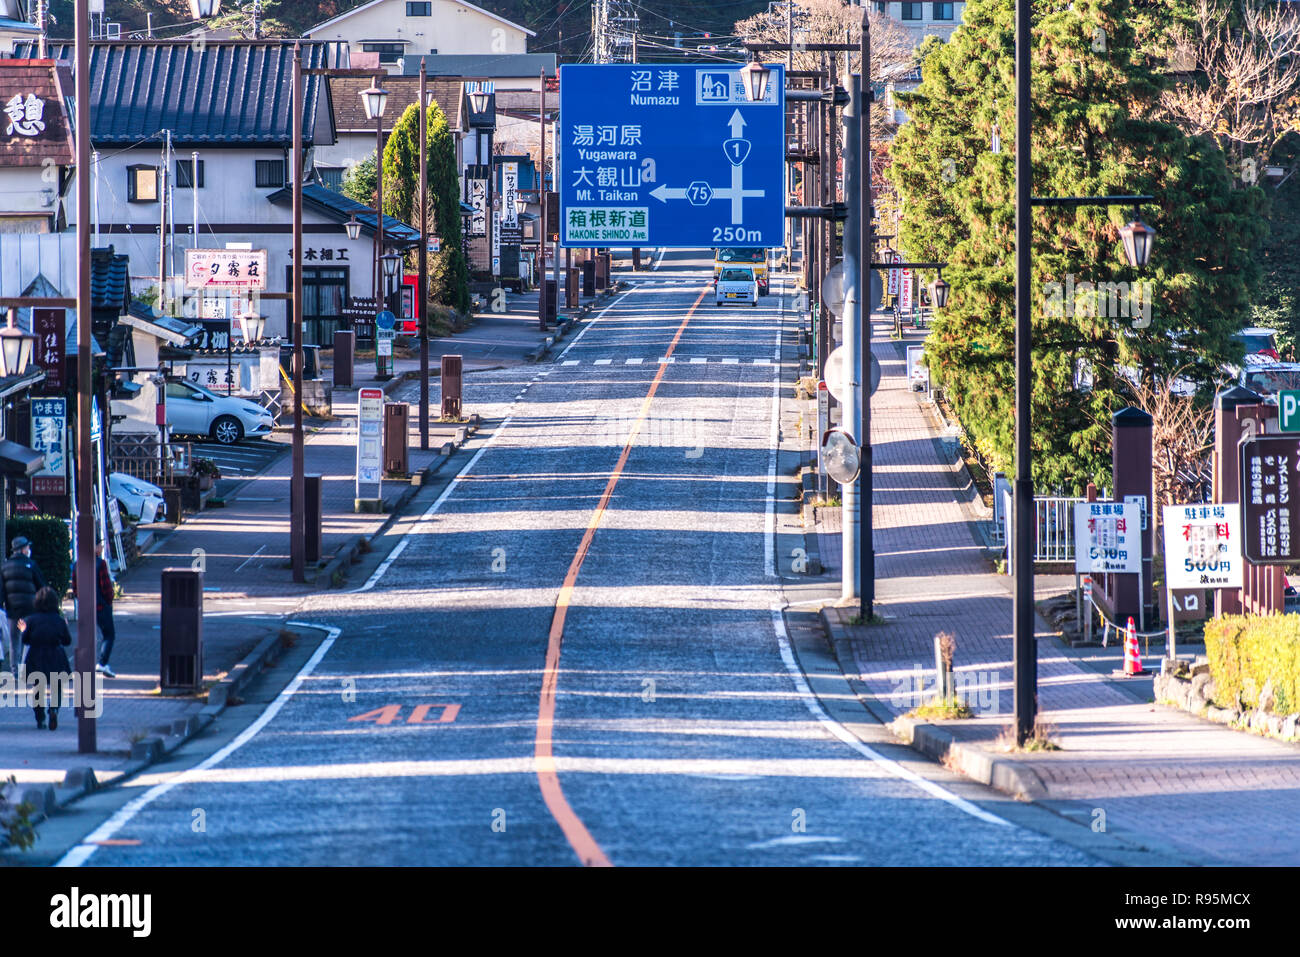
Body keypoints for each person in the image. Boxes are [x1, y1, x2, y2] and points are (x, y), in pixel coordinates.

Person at [20, 587, 71, 730]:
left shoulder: (31, 620)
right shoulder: (59, 620)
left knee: (38, 688)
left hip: (36, 656)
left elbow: (25, 640)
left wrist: (24, 631)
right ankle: (53, 709)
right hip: (55, 655)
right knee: (57, 687)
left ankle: (40, 718)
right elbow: (67, 641)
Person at [71, 542, 118, 678]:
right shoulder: (100, 564)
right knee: (109, 634)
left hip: (85, 607)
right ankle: (102, 663)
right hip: (101, 606)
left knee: (87, 637)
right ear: (94, 547)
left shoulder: (76, 565)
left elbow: (75, 589)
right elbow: (106, 587)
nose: (101, 548)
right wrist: (109, 601)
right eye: (99, 545)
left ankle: (83, 666)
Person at [1, 536, 46, 677]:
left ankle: (15, 672)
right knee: (29, 640)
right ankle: (26, 671)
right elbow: (41, 586)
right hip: (30, 610)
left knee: (15, 643)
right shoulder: (31, 565)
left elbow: (1, 591)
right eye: (27, 547)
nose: (29, 549)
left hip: (13, 612)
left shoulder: (5, 567)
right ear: (22, 549)